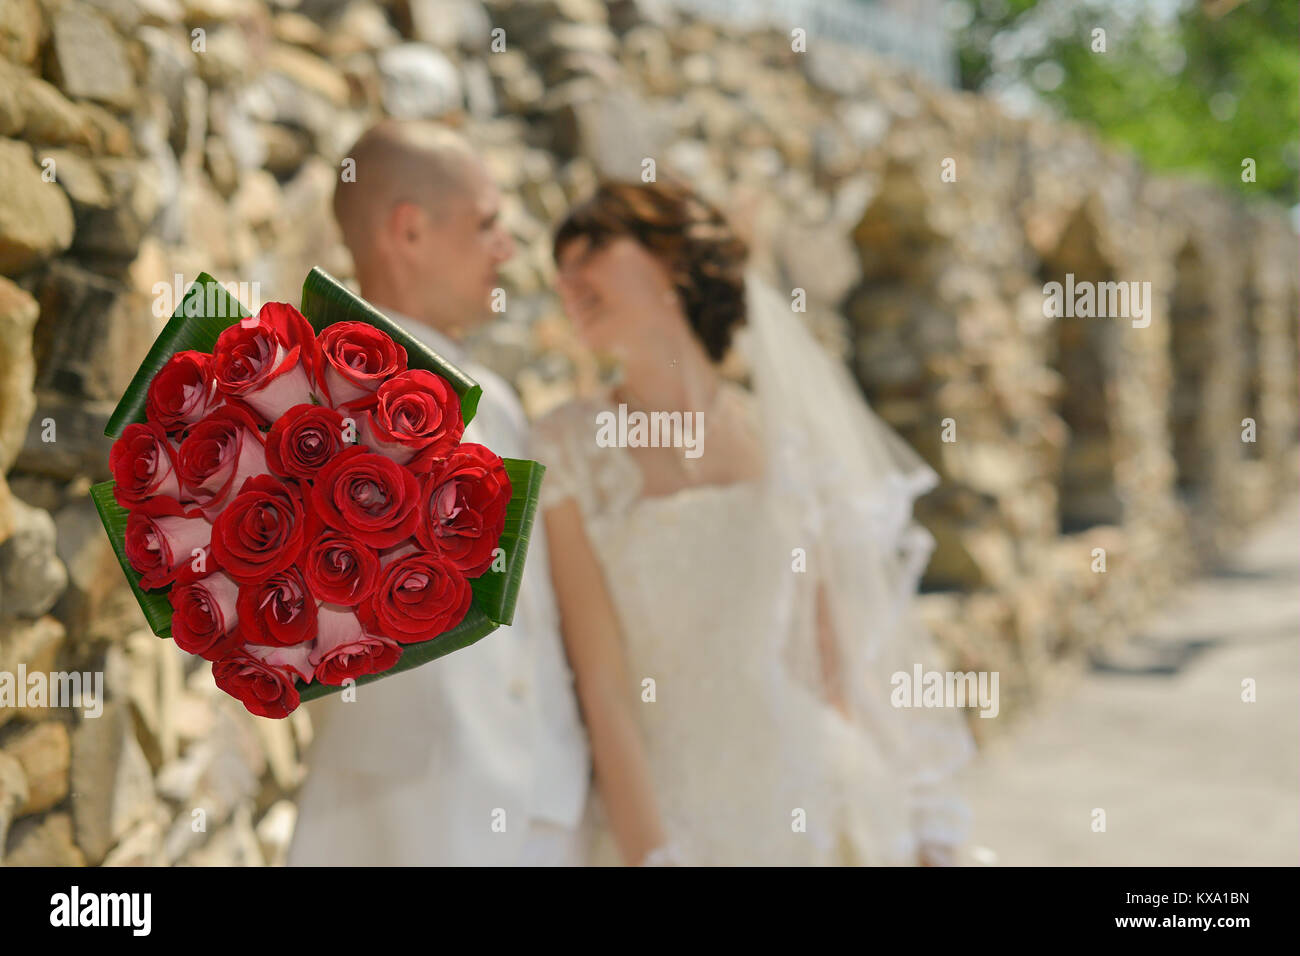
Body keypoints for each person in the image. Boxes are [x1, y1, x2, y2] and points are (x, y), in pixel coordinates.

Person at [532, 180, 974, 866]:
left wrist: (911, 810)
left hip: (820, 796)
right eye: (561, 264)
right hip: (667, 812)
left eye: (592, 247)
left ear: (673, 263)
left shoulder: (786, 437)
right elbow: (605, 687)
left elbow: (835, 657)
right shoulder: (563, 451)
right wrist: (654, 855)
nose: (569, 277)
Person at [287, 120, 590, 866]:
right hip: (395, 827)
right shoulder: (294, 407)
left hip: (546, 819)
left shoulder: (505, 403)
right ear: (410, 232)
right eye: (486, 224)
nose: (507, 250)